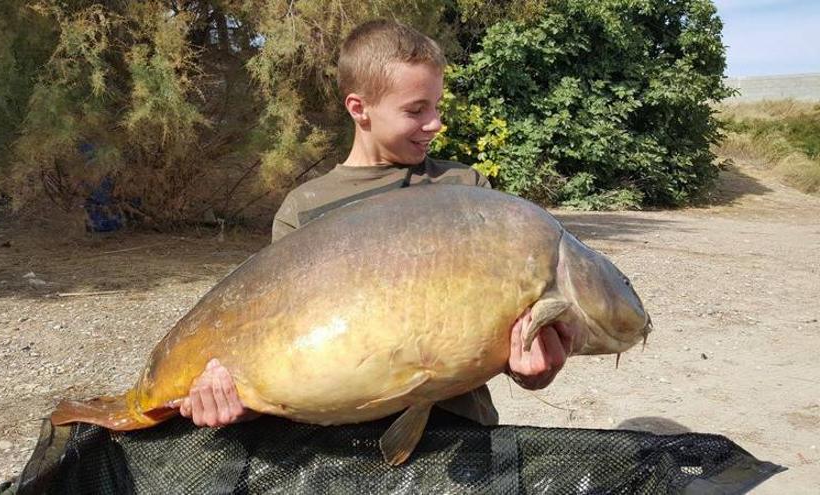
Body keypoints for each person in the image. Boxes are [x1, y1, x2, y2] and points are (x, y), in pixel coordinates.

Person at [178, 20, 574, 428]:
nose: (436, 122)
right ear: (358, 108)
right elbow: (283, 351)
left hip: (461, 432)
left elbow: (499, 331)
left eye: (436, 105)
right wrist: (233, 397)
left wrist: (534, 368)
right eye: (416, 110)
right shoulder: (305, 209)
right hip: (341, 451)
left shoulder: (466, 191)